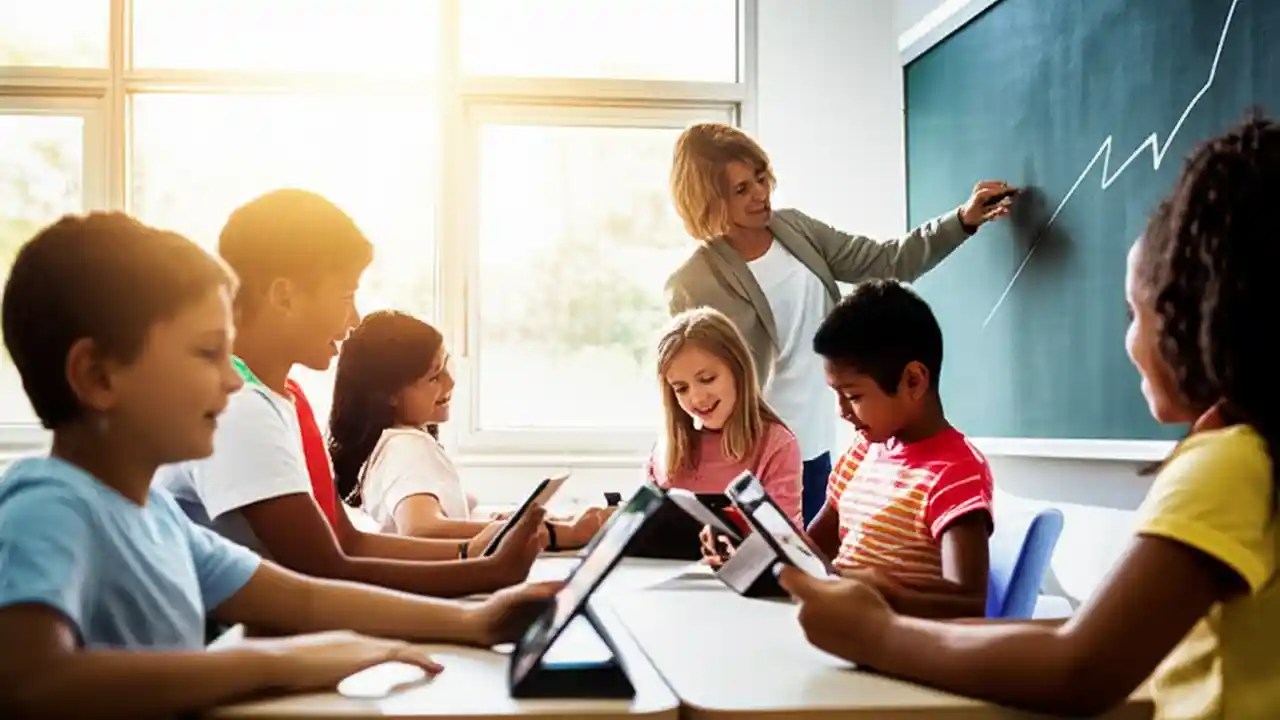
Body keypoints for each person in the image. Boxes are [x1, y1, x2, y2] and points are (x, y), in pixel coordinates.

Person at [778, 117, 1280, 718]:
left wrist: (877, 634)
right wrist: (877, 619)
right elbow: (1081, 640)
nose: (1128, 341)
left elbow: (1080, 669)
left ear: (1191, 316)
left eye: (1133, 312)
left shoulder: (1233, 463)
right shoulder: (1253, 456)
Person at [0, 213, 559, 719]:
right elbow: (31, 680)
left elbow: (305, 596)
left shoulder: (160, 519)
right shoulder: (49, 505)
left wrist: (475, 622)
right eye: (206, 353)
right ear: (98, 377)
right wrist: (282, 660)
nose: (232, 379)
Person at [158, 189, 541, 598]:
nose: (355, 318)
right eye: (346, 295)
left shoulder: (284, 399)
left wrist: (472, 554)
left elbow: (347, 541)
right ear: (284, 296)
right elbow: (326, 570)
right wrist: (489, 574)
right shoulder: (239, 407)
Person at [667, 122, 1013, 524]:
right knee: (755, 574)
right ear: (708, 202)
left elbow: (887, 260)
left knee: (814, 571)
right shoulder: (691, 283)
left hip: (816, 446)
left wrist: (962, 220)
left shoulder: (795, 229)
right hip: (754, 457)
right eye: (741, 189)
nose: (761, 194)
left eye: (760, 178)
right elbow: (692, 386)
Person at [706, 281, 994, 618]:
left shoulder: (954, 472)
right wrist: (750, 553)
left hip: (892, 649)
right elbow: (812, 552)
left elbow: (969, 603)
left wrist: (877, 590)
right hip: (839, 628)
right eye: (836, 395)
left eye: (854, 396)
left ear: (914, 380)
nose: (842, 410)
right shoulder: (862, 452)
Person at [328, 309, 608, 550]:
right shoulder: (406, 446)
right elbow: (420, 529)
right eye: (434, 377)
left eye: (446, 367)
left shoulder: (389, 446)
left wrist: (503, 521)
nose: (449, 383)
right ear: (388, 393)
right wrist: (560, 534)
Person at [646, 307, 801, 522]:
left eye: (707, 378)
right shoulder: (664, 450)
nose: (697, 398)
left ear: (738, 370)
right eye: (681, 389)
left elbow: (784, 541)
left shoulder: (776, 445)